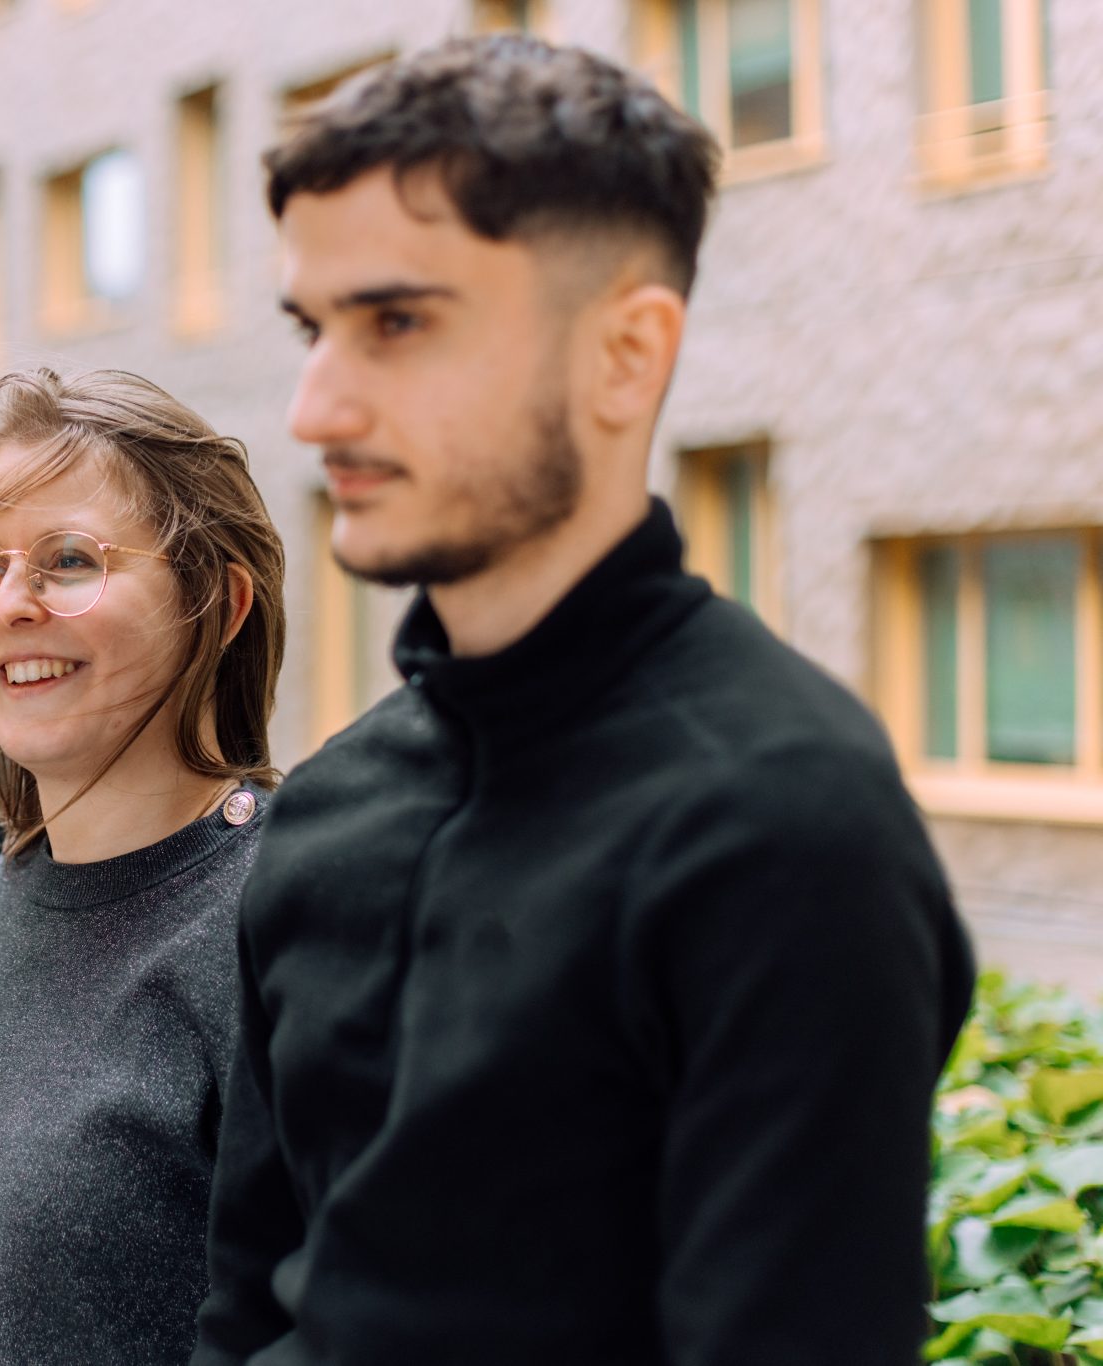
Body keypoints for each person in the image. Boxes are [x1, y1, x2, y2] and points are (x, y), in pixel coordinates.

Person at [193, 36, 975, 1366]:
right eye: (312, 330)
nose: (315, 411)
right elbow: (247, 1311)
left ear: (625, 355)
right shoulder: (323, 811)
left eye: (396, 323)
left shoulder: (782, 823)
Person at [0, 369, 287, 1365]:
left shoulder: (274, 918)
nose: (9, 604)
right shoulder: (5, 892)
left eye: (67, 560)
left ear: (219, 604)